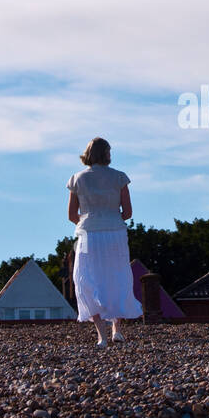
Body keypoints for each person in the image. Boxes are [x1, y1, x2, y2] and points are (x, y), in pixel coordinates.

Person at [66, 137, 142, 347]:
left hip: (88, 234)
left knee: (86, 279)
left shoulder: (77, 179)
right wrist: (110, 216)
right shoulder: (119, 178)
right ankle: (117, 329)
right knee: (117, 277)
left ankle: (102, 335)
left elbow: (72, 214)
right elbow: (127, 212)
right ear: (107, 153)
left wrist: (90, 220)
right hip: (114, 233)